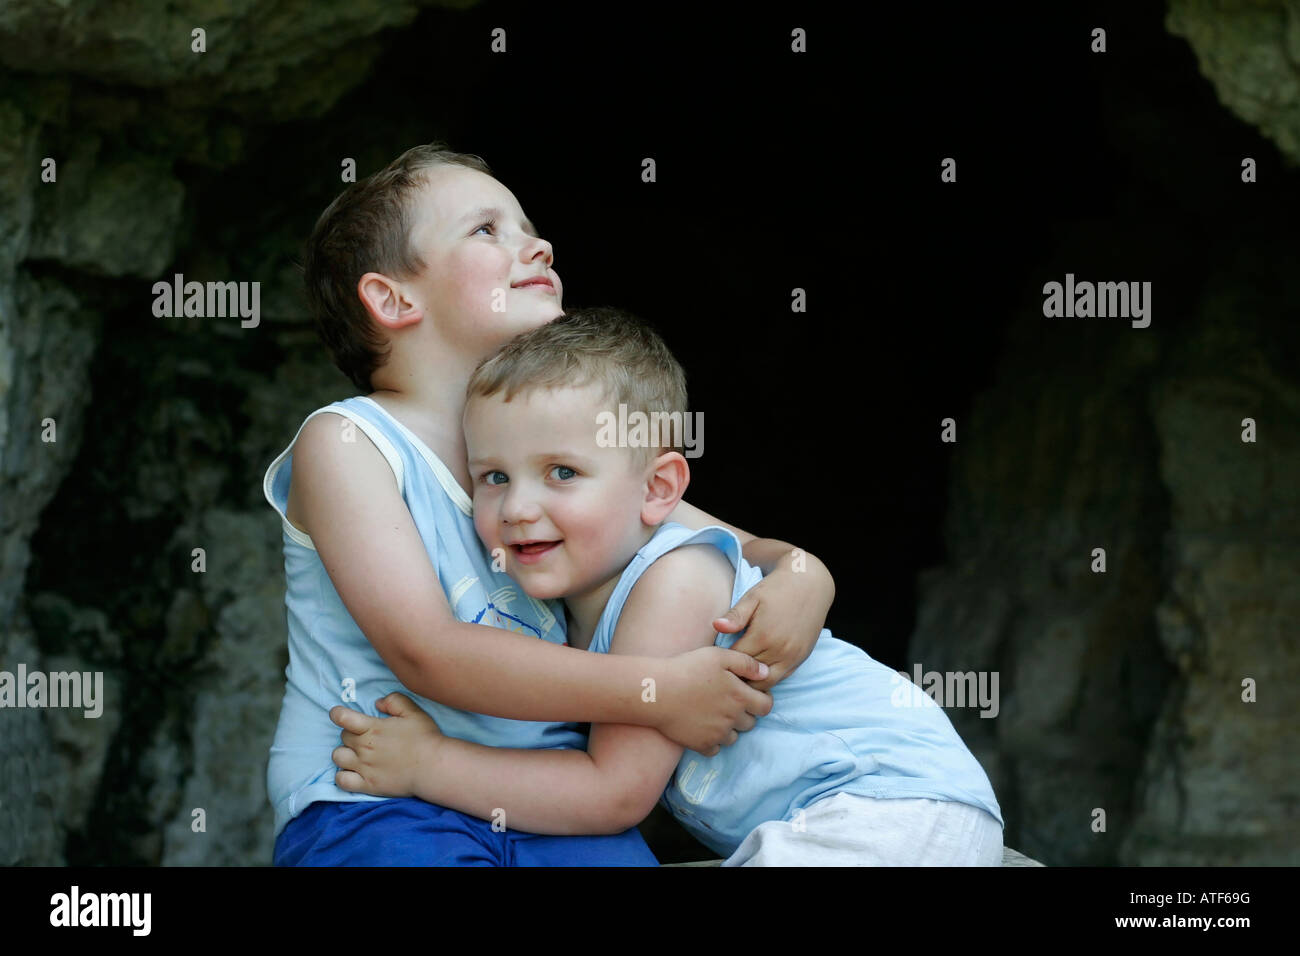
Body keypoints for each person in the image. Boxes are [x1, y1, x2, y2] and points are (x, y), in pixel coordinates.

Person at [265, 145, 837, 865]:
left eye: (528, 225)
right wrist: (661, 691)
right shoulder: (347, 442)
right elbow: (427, 651)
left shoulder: (542, 446)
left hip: (550, 799)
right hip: (376, 795)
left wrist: (806, 576)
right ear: (393, 299)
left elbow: (740, 545)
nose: (538, 244)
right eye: (486, 230)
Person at [331, 308, 1005, 866]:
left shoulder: (675, 580)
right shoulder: (574, 602)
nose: (517, 508)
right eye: (494, 477)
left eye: (562, 472)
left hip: (889, 811)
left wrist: (429, 765)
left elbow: (612, 795)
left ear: (658, 490)